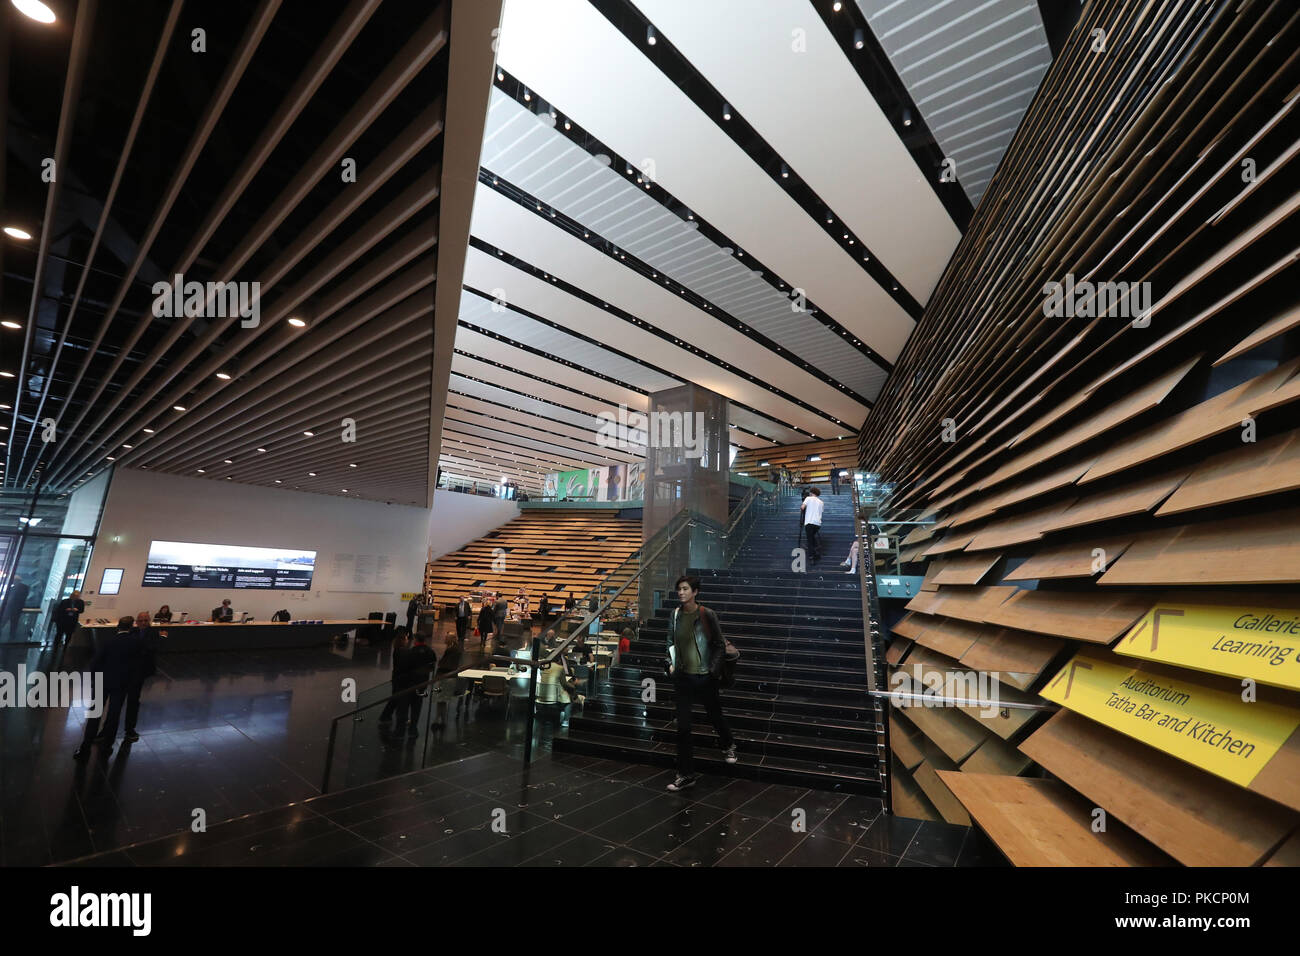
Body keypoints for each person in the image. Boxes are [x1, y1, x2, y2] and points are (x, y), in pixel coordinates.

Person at [664, 575, 736, 791]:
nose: (681, 593)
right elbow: (669, 642)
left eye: (685, 589)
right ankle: (686, 774)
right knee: (683, 728)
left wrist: (713, 672)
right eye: (679, 589)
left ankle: (728, 744)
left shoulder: (706, 614)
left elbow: (719, 645)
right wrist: (670, 664)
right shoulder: (675, 615)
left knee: (715, 715)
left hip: (705, 676)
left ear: (695, 592)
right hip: (683, 677)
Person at [73, 616, 143, 759]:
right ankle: (107, 747)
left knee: (94, 716)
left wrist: (94, 679)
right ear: (131, 627)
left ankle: (85, 748)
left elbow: (96, 662)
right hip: (121, 684)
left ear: (118, 626)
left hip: (102, 682)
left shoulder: (108, 641)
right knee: (113, 716)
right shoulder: (136, 643)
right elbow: (137, 666)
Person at [123, 610, 165, 742]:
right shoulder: (133, 632)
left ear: (149, 621)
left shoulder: (153, 633)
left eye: (145, 620)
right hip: (128, 670)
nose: (143, 623)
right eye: (140, 620)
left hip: (140, 671)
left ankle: (130, 729)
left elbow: (152, 648)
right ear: (136, 622)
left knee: (134, 700)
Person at [392, 631, 437, 739]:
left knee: (403, 709)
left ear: (415, 640)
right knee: (416, 709)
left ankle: (400, 731)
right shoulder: (430, 652)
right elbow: (431, 667)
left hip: (408, 685)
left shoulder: (410, 652)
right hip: (421, 685)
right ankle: (413, 729)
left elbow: (404, 668)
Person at [378, 627, 411, 725]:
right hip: (401, 678)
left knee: (395, 698)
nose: (407, 640)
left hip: (396, 677)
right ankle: (389, 716)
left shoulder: (397, 650)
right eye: (406, 638)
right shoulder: (402, 651)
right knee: (397, 699)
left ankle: (386, 715)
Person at [2, 573, 31, 643]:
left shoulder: (13, 588)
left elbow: (9, 599)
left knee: (4, 622)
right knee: (14, 624)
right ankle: (12, 638)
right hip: (17, 609)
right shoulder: (25, 588)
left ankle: (11, 638)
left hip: (10, 608)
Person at [801, 487, 824, 564]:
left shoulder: (808, 498)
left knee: (810, 540)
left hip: (809, 522)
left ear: (811, 492)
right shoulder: (821, 502)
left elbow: (802, 507)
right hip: (817, 523)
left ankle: (811, 557)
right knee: (812, 537)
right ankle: (816, 551)